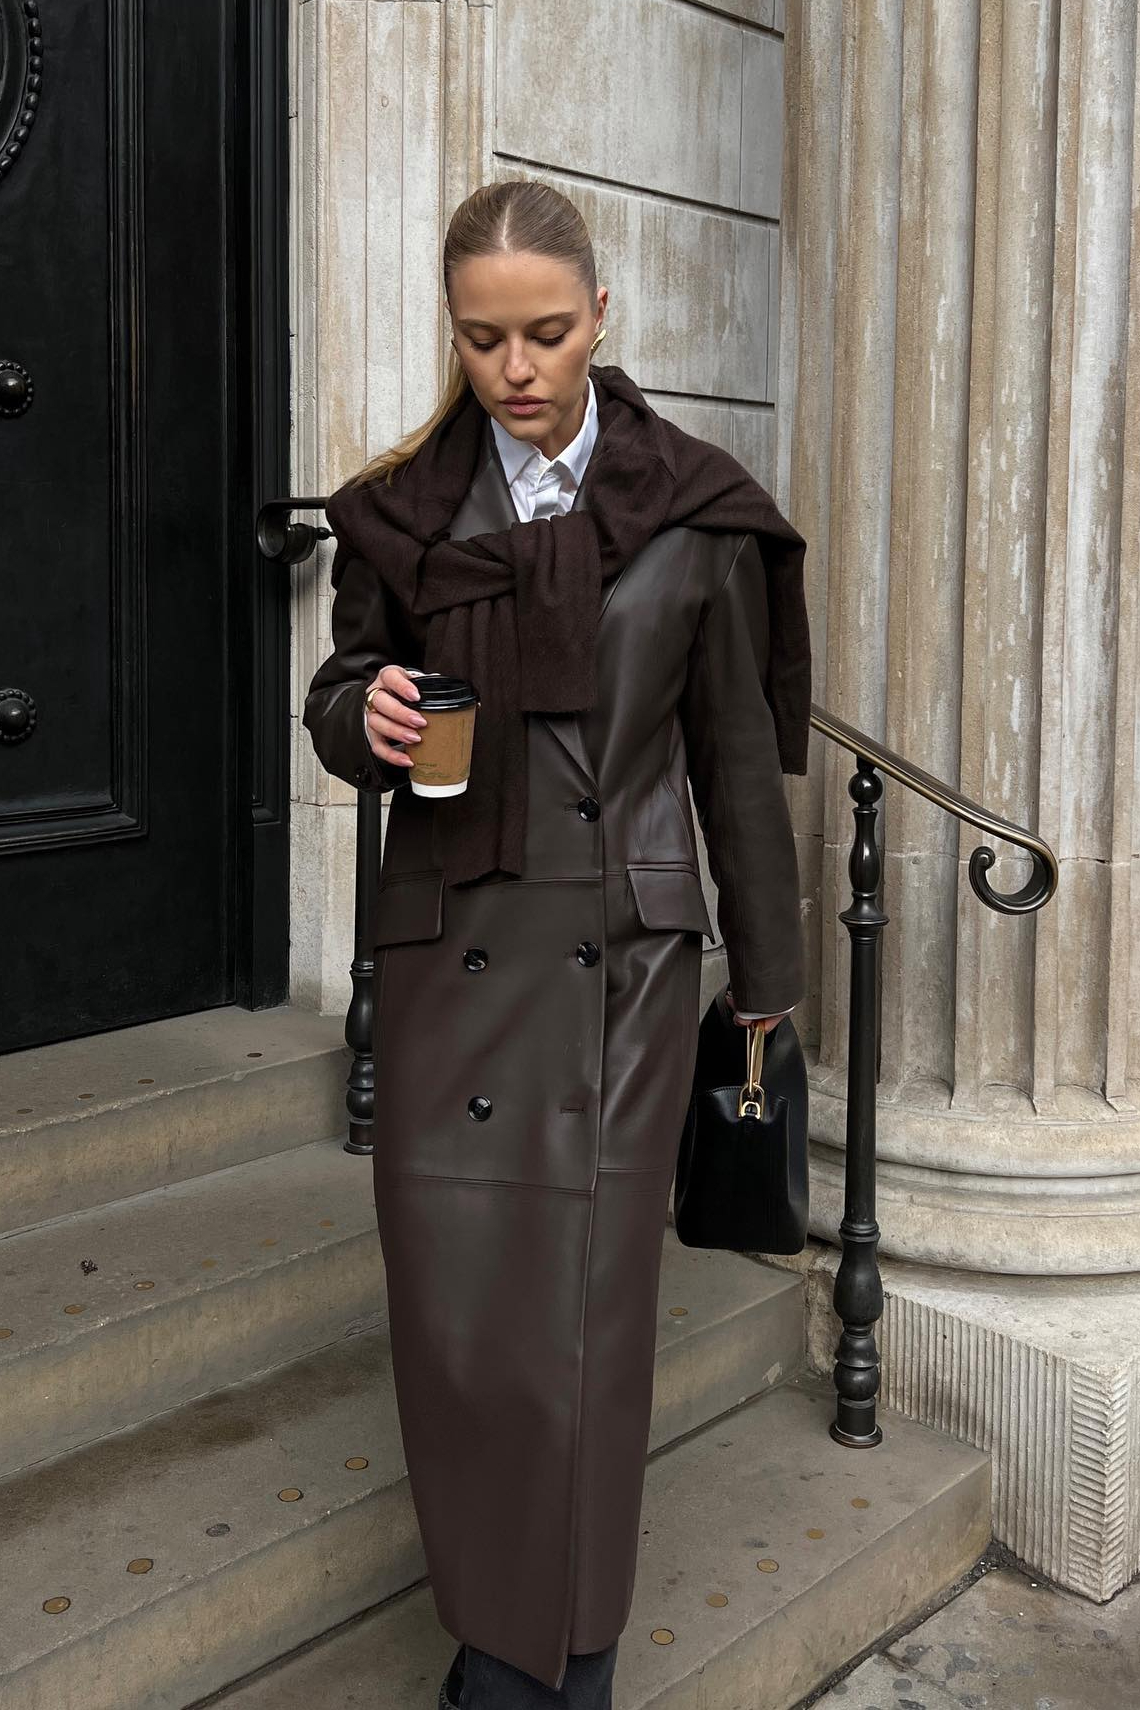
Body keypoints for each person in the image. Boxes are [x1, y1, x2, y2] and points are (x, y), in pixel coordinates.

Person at [302, 179, 810, 1710]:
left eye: (542, 331)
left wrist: (770, 996)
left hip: (625, 967)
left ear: (602, 315)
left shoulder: (694, 508)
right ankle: (499, 1616)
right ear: (451, 338)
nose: (515, 367)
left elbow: (733, 761)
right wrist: (364, 717)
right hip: (447, 944)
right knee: (459, 1327)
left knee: (583, 1327)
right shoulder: (399, 513)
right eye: (480, 339)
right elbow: (340, 691)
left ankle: (550, 1665)